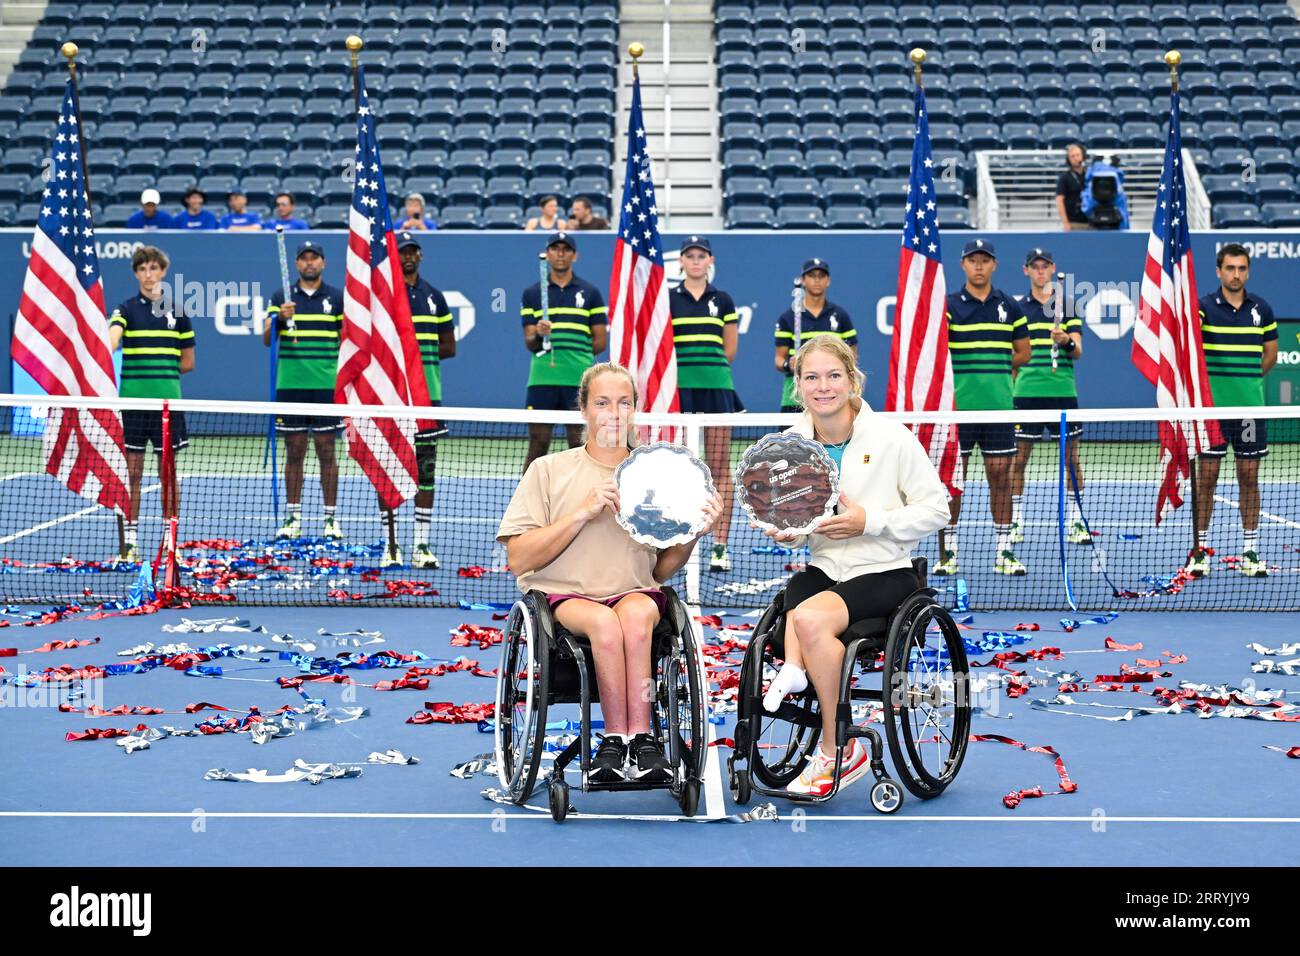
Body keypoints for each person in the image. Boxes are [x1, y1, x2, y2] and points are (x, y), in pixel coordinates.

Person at [497, 362, 723, 782]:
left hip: (633, 592)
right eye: (602, 403)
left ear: (635, 409)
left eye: (624, 403)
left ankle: (643, 739)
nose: (614, 413)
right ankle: (613, 738)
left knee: (635, 618)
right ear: (584, 409)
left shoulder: (655, 474)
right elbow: (519, 559)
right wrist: (583, 512)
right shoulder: (549, 471)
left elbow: (661, 568)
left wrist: (694, 531)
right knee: (603, 624)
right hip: (566, 596)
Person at [755, 336, 949, 797]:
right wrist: (790, 530)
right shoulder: (791, 445)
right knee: (795, 613)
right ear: (798, 386)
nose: (823, 387)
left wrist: (870, 522)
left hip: (886, 571)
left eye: (833, 375)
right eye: (811, 377)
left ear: (851, 378)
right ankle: (802, 674)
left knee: (807, 620)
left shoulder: (891, 437)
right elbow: (795, 512)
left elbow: (937, 510)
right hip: (824, 571)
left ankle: (835, 747)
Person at [937, 239, 1030, 577]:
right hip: (956, 412)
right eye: (972, 260)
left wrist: (994, 369)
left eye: (984, 260)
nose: (978, 266)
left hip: (999, 410)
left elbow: (1024, 351)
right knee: (951, 483)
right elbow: (936, 353)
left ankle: (1004, 550)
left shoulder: (1009, 305)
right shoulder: (947, 306)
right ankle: (949, 553)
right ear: (963, 265)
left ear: (994, 265)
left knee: (1001, 478)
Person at [1188, 242, 1279, 578]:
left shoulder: (1262, 309)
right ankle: (1200, 551)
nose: (1236, 274)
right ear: (1218, 271)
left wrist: (1247, 384)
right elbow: (1189, 341)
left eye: (1241, 268)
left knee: (1249, 478)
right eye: (1230, 268)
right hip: (1211, 412)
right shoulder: (1203, 308)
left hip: (1249, 411)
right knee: (1207, 479)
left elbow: (1270, 354)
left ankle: (1250, 551)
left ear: (1248, 271)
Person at [108, 245, 195, 562]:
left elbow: (188, 362)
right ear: (136, 273)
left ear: (163, 271)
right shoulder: (125, 309)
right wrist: (107, 341)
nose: (148, 274)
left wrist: (159, 370)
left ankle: (169, 541)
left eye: (154, 268)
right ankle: (129, 543)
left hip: (167, 406)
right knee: (131, 472)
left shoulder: (179, 312)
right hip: (132, 404)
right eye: (142, 269)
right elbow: (113, 338)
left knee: (167, 474)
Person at [669, 235, 744, 572]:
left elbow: (729, 350)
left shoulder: (723, 299)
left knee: (718, 468)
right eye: (690, 255)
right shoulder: (670, 299)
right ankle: (677, 541)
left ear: (709, 261)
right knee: (680, 470)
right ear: (682, 261)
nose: (696, 261)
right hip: (680, 391)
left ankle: (719, 546)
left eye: (702, 255)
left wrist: (708, 369)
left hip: (716, 389)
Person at [262, 240, 346, 541]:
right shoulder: (280, 297)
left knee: (327, 451)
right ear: (297, 264)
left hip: (326, 387)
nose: (309, 263)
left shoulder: (336, 298)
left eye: (315, 258)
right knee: (294, 451)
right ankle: (293, 517)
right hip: (291, 386)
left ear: (323, 262)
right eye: (304, 258)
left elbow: (346, 339)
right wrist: (279, 319)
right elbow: (267, 339)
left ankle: (331, 519)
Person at [1009, 248, 1089, 547]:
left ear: (1052, 269)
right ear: (1026, 270)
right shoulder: (1017, 308)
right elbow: (1013, 355)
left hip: (1062, 394)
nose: (1040, 271)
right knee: (1018, 461)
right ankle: (1016, 520)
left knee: (1071, 461)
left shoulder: (1067, 306)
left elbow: (1078, 351)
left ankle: (1076, 521)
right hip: (1027, 395)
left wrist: (1066, 341)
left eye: (1045, 266)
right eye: (1034, 266)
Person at [520, 231, 607, 472]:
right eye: (555, 249)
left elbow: (600, 342)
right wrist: (539, 334)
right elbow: (530, 342)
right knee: (538, 445)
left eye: (566, 249)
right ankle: (527, 505)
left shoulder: (590, 293)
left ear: (574, 255)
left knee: (578, 446)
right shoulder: (532, 293)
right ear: (547, 254)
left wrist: (575, 354)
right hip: (542, 380)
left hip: (578, 381)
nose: (560, 253)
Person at [394, 231, 455, 570]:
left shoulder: (435, 297)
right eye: (403, 252)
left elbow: (450, 346)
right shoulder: (386, 295)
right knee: (388, 469)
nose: (408, 257)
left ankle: (421, 543)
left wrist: (416, 356)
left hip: (427, 398)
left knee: (426, 472)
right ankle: (390, 545)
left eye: (413, 251)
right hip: (392, 399)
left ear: (420, 256)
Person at [774, 257, 857, 412]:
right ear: (803, 281)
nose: (817, 280)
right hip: (795, 395)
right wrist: (788, 364)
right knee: (792, 437)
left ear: (828, 281)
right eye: (812, 276)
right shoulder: (788, 317)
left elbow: (851, 356)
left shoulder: (840, 315)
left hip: (831, 393)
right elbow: (779, 359)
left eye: (821, 276)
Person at [1055, 143, 1090, 231]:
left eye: (1078, 155)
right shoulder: (1064, 177)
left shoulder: (1090, 174)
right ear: (1068, 160)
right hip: (1073, 223)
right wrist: (1065, 223)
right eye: (1072, 156)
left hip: (1092, 221)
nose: (1075, 158)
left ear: (1083, 156)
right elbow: (1059, 201)